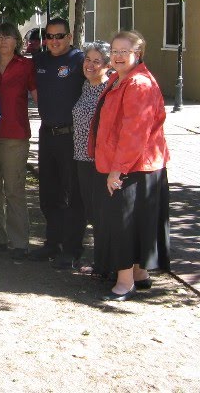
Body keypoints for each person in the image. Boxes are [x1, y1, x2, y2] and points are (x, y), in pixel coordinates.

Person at [89, 31, 169, 301]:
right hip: (131, 164)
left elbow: (134, 132)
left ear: (139, 54)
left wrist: (117, 169)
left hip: (133, 166)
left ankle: (125, 281)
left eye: (125, 51)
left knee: (123, 222)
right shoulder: (118, 79)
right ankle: (138, 273)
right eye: (115, 50)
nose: (118, 55)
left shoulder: (138, 84)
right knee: (136, 221)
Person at [30, 18, 86, 268]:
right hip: (46, 133)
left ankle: (72, 248)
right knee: (49, 193)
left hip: (71, 136)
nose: (54, 41)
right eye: (49, 36)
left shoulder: (80, 61)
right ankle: (53, 243)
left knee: (72, 194)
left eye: (59, 36)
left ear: (69, 36)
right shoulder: (40, 60)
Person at [0, 23, 37, 260]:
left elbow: (37, 95)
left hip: (15, 134)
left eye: (8, 37)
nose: (3, 41)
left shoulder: (27, 66)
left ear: (17, 42)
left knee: (14, 189)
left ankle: (20, 242)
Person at [71, 40, 111, 274]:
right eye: (88, 60)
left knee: (100, 213)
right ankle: (101, 261)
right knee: (91, 211)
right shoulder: (87, 87)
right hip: (82, 158)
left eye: (97, 61)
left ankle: (106, 264)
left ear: (107, 65)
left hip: (100, 162)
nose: (91, 65)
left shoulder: (108, 90)